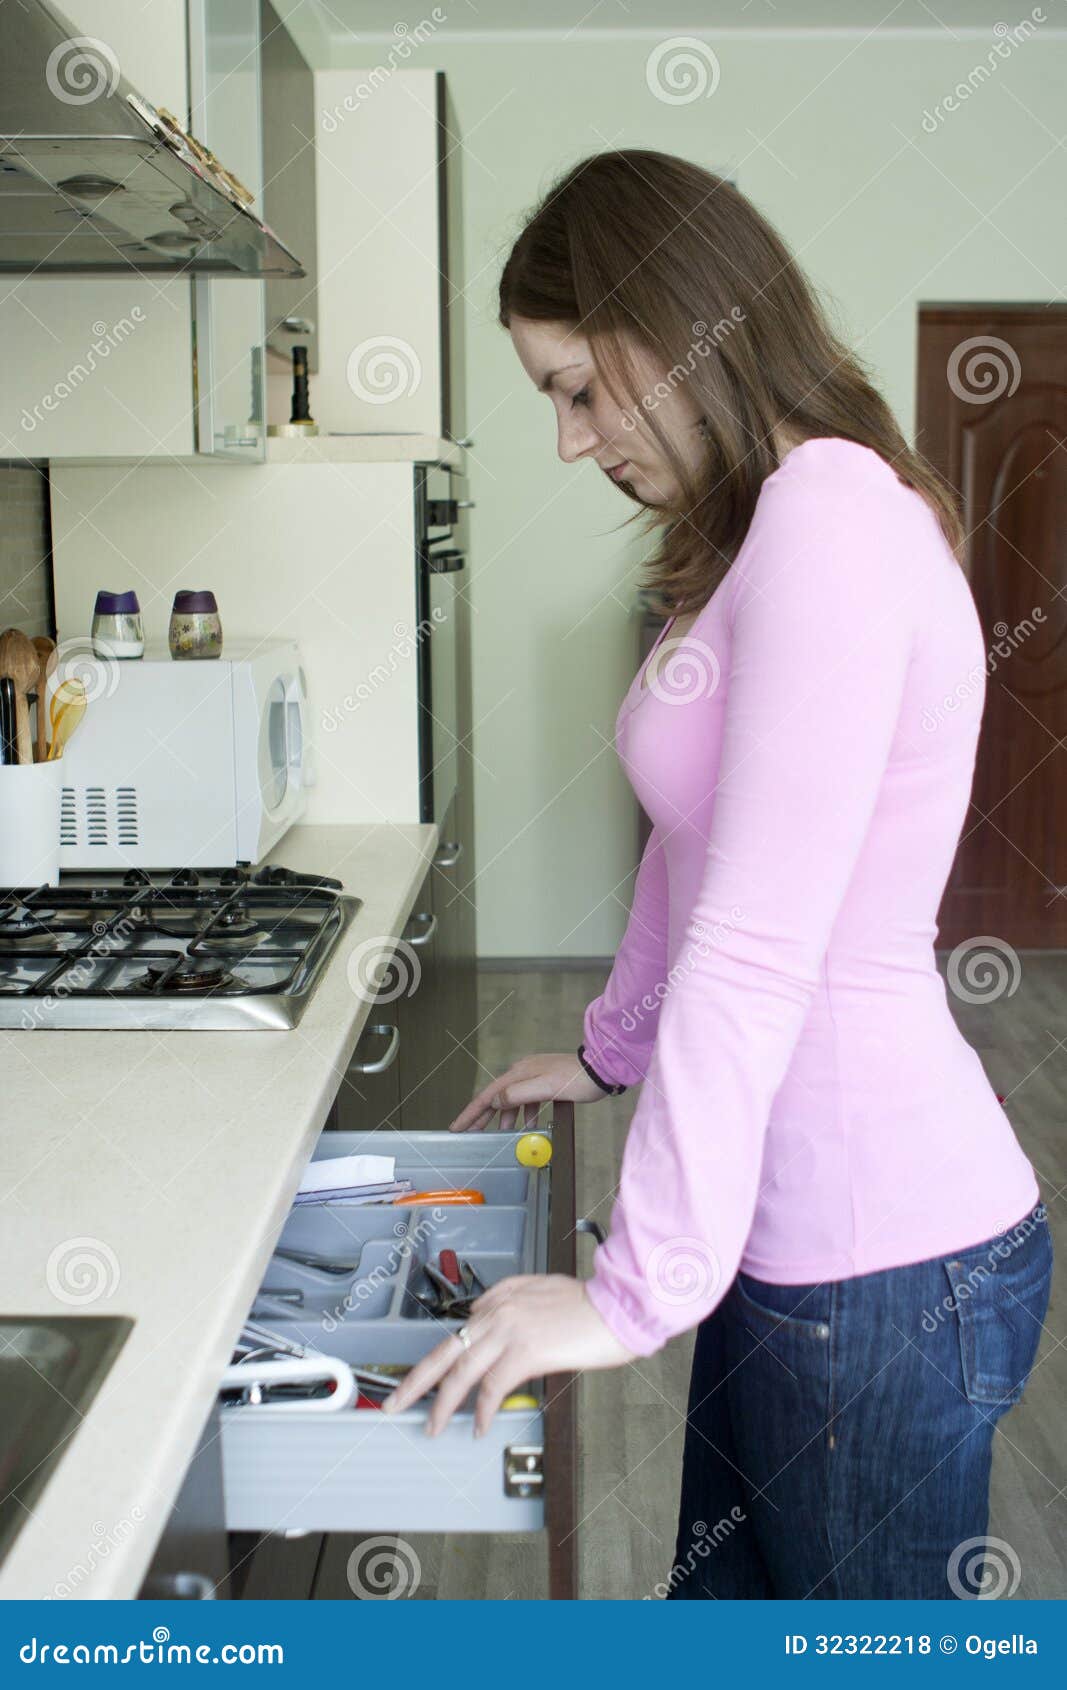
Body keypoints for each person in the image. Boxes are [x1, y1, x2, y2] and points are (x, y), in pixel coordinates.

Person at [383, 150, 1052, 1600]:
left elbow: (754, 940)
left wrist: (631, 1296)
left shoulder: (831, 515)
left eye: (578, 388)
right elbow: (693, 850)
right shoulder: (761, 532)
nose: (571, 441)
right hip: (788, 1231)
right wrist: (608, 1048)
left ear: (676, 325)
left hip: (880, 1254)